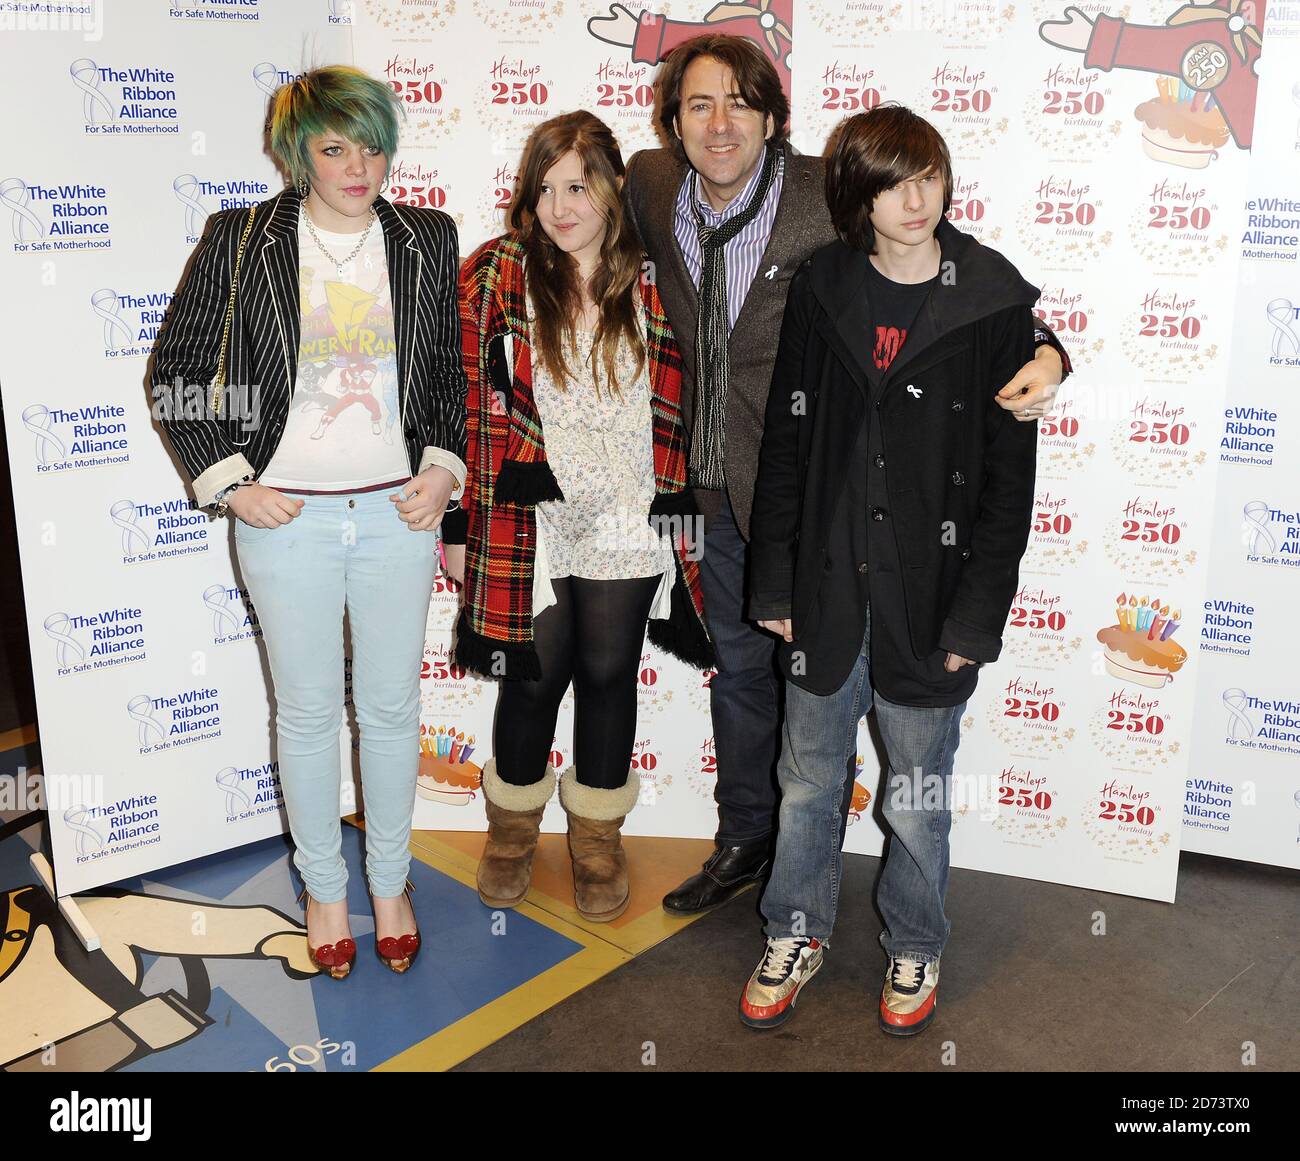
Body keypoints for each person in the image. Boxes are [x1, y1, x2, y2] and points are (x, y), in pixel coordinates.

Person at [622, 34, 1070, 915]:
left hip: (813, 491)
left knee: (832, 710)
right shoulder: (651, 182)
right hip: (709, 481)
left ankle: (829, 887)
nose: (720, 124)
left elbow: (944, 274)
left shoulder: (824, 195)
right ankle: (748, 842)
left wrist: (1047, 348)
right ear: (673, 122)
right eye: (700, 105)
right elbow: (577, 234)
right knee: (741, 675)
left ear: (772, 119)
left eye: (741, 104)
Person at [152, 65, 467, 979]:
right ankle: (324, 888)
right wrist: (229, 482)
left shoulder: (425, 237)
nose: (357, 167)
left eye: (371, 147)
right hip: (285, 519)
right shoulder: (241, 238)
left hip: (398, 514)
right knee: (306, 712)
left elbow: (445, 371)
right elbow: (175, 370)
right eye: (335, 149)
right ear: (299, 155)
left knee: (392, 708)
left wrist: (443, 467)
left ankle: (391, 882)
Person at [740, 104, 1042, 1035]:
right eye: (893, 184)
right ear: (856, 198)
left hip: (933, 599)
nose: (916, 200)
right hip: (826, 588)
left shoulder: (990, 301)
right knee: (806, 783)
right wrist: (776, 583)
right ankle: (794, 928)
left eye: (929, 177)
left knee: (915, 798)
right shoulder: (823, 286)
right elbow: (786, 445)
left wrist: (975, 620)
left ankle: (916, 941)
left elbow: (1009, 484)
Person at [440, 111, 711, 923]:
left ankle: (596, 838)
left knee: (607, 675)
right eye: (547, 189)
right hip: (534, 512)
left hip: (629, 508)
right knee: (532, 677)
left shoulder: (658, 276)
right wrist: (456, 523)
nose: (561, 208)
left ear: (615, 187)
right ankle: (511, 833)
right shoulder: (496, 275)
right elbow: (456, 401)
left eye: (580, 186)